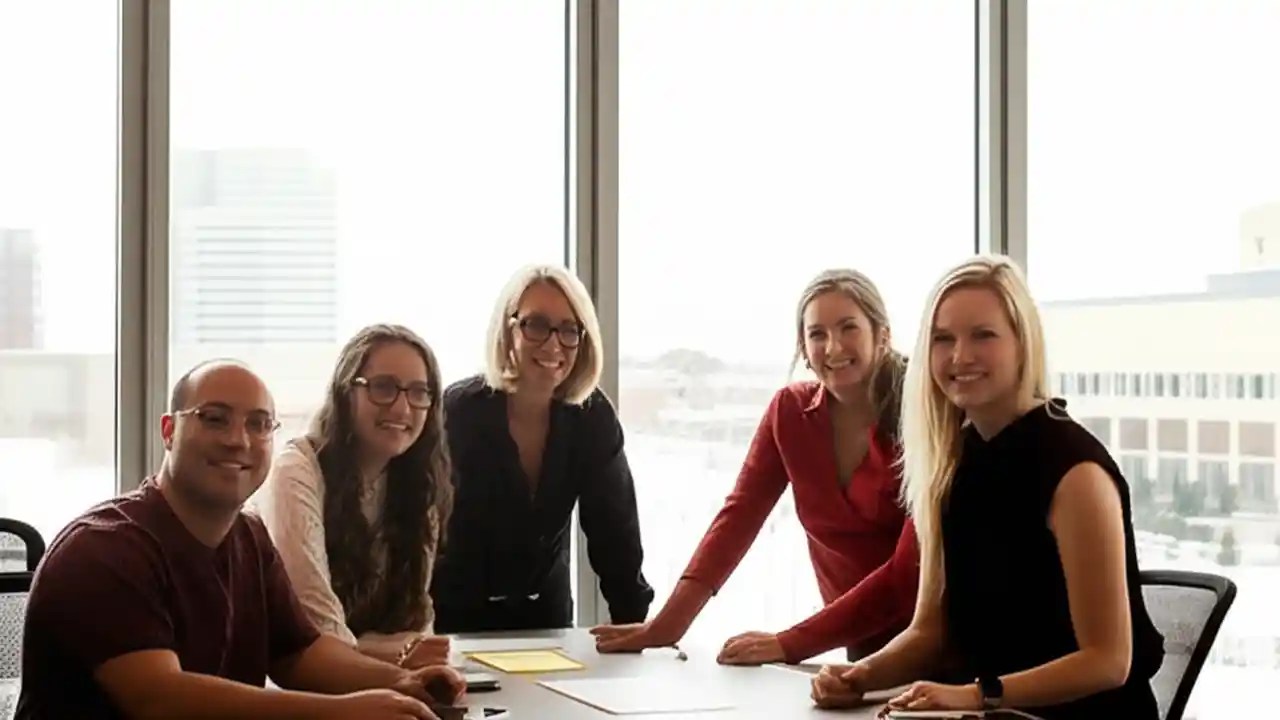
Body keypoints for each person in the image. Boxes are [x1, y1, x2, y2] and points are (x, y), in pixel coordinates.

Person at [810, 256, 1163, 719]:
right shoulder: (953, 460)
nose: (960, 356)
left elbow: (1108, 661)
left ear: (1022, 343)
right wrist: (860, 676)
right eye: (943, 339)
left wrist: (977, 694)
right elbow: (929, 633)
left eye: (983, 335)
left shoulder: (1075, 469)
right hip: (991, 712)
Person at [16, 360, 464, 720]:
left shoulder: (248, 537)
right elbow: (159, 699)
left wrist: (398, 682)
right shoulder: (103, 551)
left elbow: (299, 653)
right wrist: (340, 712)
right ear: (168, 431)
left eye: (258, 424)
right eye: (214, 419)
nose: (238, 440)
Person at [592, 269, 920, 666]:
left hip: (938, 640)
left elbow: (907, 572)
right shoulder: (791, 413)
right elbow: (738, 517)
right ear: (803, 348)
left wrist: (789, 644)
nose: (833, 347)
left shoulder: (921, 416)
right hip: (860, 643)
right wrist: (667, 626)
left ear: (882, 335)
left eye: (848, 328)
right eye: (817, 334)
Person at [431, 264, 654, 632]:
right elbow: (419, 527)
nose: (553, 344)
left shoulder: (591, 415)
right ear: (508, 330)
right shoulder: (458, 412)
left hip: (546, 622)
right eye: (536, 325)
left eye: (569, 330)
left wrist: (635, 629)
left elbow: (616, 532)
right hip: (453, 622)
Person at [251, 325, 454, 670]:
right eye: (383, 387)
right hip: (295, 679)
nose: (402, 408)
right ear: (345, 392)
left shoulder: (419, 481)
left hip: (380, 679)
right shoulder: (297, 470)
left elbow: (419, 629)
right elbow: (314, 629)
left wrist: (403, 654)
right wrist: (392, 652)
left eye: (419, 392)